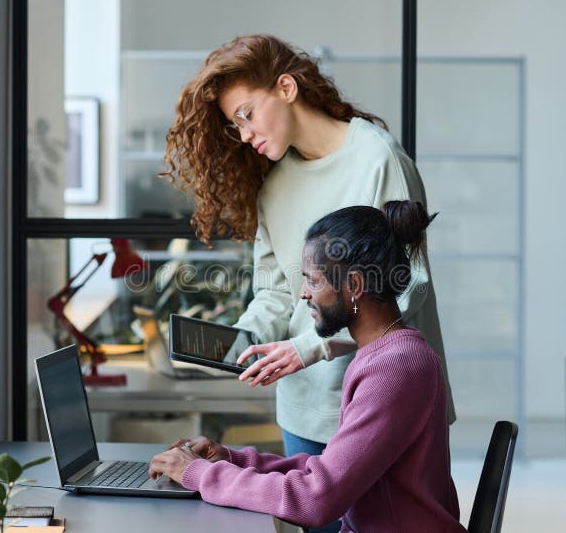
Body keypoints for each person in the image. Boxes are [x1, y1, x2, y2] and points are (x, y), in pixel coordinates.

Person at [162, 34, 454, 532]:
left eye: (247, 113)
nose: (244, 133)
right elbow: (275, 288)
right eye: (235, 125)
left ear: (286, 87)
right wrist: (247, 342)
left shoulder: (377, 158)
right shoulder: (274, 183)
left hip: (381, 396)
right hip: (306, 405)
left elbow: (404, 287)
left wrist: (309, 348)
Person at [149, 201, 466, 533]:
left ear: (354, 285)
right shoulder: (387, 354)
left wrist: (197, 473)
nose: (302, 294)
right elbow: (326, 471)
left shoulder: (395, 370)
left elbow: (316, 500)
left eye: (312, 281)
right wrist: (231, 459)